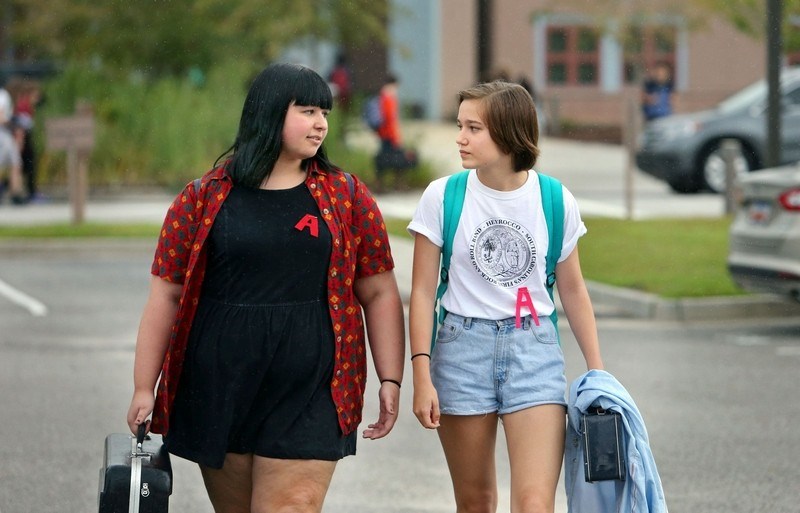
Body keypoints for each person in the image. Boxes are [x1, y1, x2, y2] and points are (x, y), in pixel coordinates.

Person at [126, 63, 405, 513]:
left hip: (314, 383)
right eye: (308, 110)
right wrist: (145, 386)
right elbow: (167, 294)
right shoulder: (202, 197)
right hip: (221, 382)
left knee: (291, 506)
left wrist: (390, 377)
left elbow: (378, 290)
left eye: (325, 113)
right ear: (269, 113)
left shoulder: (346, 195)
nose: (321, 124)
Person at [407, 81, 604, 513]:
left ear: (510, 132)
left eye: (473, 128)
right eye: (460, 125)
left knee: (535, 503)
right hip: (461, 351)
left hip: (533, 350)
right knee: (476, 501)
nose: (460, 137)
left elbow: (573, 289)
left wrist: (598, 373)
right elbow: (421, 293)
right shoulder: (442, 197)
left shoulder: (554, 198)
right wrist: (421, 375)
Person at [373, 74, 417, 190]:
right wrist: (396, 138)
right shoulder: (389, 98)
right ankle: (396, 184)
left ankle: (382, 184)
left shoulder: (381, 97)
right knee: (397, 160)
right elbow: (390, 120)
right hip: (389, 136)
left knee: (384, 160)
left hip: (383, 134)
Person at [7, 77, 44, 202]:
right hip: (22, 139)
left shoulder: (27, 105)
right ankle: (27, 192)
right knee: (25, 166)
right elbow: (20, 128)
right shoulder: (23, 106)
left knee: (25, 168)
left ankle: (16, 188)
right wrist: (20, 143)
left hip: (24, 138)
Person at [0, 87, 24, 205]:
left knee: (15, 162)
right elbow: (1, 117)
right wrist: (16, 126)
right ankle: (15, 193)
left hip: (5, 134)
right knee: (15, 163)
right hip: (3, 134)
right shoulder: (3, 95)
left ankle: (15, 192)